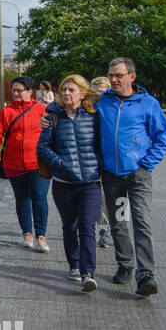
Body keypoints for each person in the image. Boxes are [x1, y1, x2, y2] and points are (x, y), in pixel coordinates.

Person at [97, 57, 166, 296]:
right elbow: (73, 104)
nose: (114, 80)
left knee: (141, 222)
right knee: (118, 223)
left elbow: (161, 136)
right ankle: (125, 265)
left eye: (119, 75)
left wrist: (146, 164)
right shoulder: (102, 102)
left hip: (137, 176)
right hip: (112, 176)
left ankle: (146, 275)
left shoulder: (147, 103)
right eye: (111, 75)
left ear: (132, 76)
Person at [37, 75, 104, 293]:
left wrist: (98, 164)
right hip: (64, 183)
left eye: (72, 90)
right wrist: (61, 164)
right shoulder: (52, 116)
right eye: (64, 89)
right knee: (70, 227)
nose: (66, 93)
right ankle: (74, 264)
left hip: (90, 183)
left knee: (87, 226)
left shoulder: (94, 116)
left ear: (82, 94)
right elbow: (43, 147)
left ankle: (87, 273)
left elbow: (101, 144)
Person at [0, 76, 51, 253]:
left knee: (39, 197)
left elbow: (54, 132)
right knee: (22, 198)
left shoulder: (42, 110)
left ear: (30, 92)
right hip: (14, 164)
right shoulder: (6, 112)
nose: (15, 93)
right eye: (13, 90)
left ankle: (41, 235)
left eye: (19, 90)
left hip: (38, 164)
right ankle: (27, 233)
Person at [90, 76, 114, 249]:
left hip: (113, 160)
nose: (99, 93)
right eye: (95, 89)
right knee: (100, 198)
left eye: (102, 89)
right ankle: (103, 230)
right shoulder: (87, 108)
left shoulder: (113, 106)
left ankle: (118, 229)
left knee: (118, 199)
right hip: (93, 160)